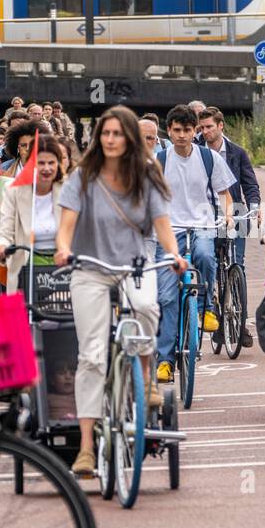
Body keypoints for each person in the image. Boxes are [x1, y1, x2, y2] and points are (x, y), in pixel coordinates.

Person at [54, 106, 189, 477]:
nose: (111, 140)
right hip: (90, 270)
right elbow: (67, 223)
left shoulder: (146, 175)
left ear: (130, 138)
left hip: (136, 265)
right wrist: (63, 248)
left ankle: (144, 381)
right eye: (105, 134)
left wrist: (175, 254)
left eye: (118, 134)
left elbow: (162, 225)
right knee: (92, 356)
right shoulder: (83, 177)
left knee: (147, 306)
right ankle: (85, 448)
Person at [154, 104, 236, 383]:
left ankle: (206, 308)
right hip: (168, 230)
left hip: (202, 224)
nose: (182, 135)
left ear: (195, 131)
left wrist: (227, 216)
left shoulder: (209, 158)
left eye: (188, 130)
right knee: (166, 297)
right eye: (176, 130)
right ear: (170, 130)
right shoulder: (160, 160)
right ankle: (164, 361)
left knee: (204, 254)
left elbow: (225, 193)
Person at [0, 135, 65, 294]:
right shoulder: (13, 190)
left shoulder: (69, 189)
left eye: (51, 163)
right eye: (41, 163)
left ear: (59, 164)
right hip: (25, 269)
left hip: (63, 272)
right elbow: (5, 230)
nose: (46, 168)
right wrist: (1, 245)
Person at [197, 107, 261, 286]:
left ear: (220, 125)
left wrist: (254, 207)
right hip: (207, 214)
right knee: (210, 261)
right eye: (202, 128)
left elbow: (250, 184)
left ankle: (239, 308)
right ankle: (213, 303)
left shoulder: (237, 153)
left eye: (209, 126)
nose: (205, 131)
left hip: (235, 212)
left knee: (237, 262)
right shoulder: (197, 152)